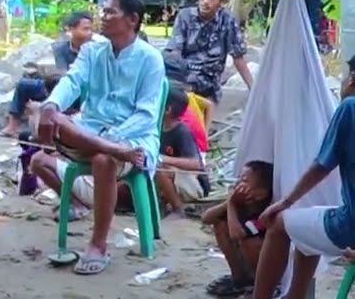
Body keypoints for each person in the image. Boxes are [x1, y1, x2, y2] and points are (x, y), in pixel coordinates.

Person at [29, 0, 165, 276]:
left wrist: (113, 139)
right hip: (93, 132)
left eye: (110, 12)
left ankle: (98, 244)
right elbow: (72, 81)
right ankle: (108, 148)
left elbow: (146, 116)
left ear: (132, 19)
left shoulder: (150, 59)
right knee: (43, 116)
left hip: (133, 139)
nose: (103, 17)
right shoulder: (93, 50)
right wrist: (52, 105)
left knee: (105, 160)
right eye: (103, 11)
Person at [247, 59, 355, 299]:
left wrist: (284, 202)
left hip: (351, 226)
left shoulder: (350, 108)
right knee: (306, 228)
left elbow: (321, 166)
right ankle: (294, 295)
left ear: (352, 79)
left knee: (279, 224)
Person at [165, 0, 251, 124]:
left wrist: (253, 88)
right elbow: (175, 52)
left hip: (210, 85)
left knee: (201, 131)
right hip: (185, 82)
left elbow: (238, 57)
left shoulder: (227, 20)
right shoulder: (185, 16)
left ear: (222, 2)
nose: (206, 1)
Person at [204, 161, 274, 297]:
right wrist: (228, 203)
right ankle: (240, 280)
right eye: (239, 179)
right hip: (247, 251)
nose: (237, 184)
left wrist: (231, 204)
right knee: (220, 224)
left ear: (260, 193)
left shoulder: (265, 212)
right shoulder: (241, 204)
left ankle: (258, 284)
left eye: (244, 181)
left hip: (269, 264)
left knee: (250, 243)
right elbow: (206, 218)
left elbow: (237, 235)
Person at [151, 84, 208, 214]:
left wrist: (163, 159)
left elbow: (197, 164)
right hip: (172, 180)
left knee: (161, 170)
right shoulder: (158, 126)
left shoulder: (182, 131)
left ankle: (178, 209)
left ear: (168, 110)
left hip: (192, 184)